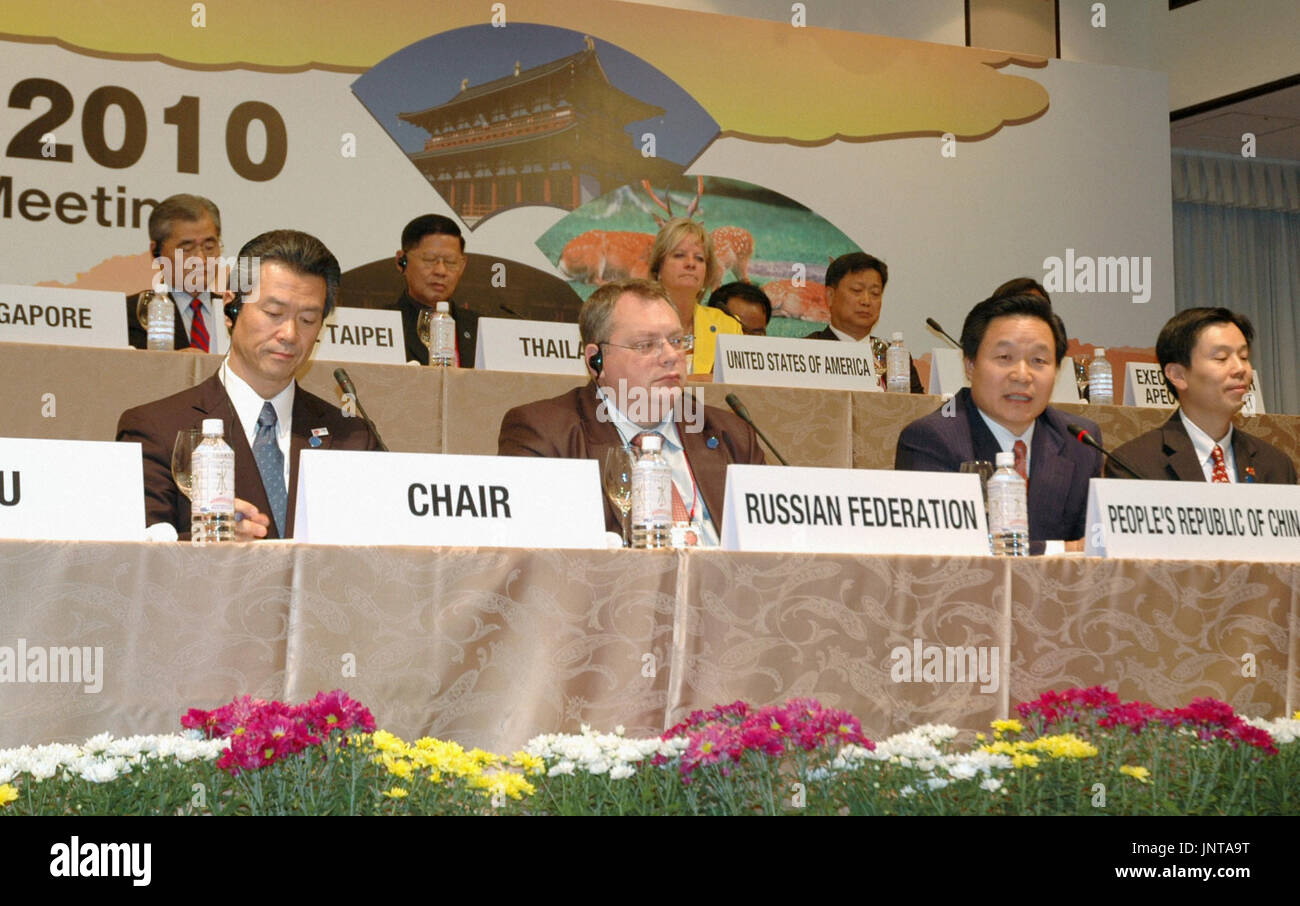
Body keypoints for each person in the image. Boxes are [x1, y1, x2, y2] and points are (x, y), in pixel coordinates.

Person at [117, 230, 383, 540]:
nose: (290, 334)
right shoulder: (156, 430)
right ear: (231, 307)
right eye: (273, 313)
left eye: (308, 319)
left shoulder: (352, 438)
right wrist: (212, 540)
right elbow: (134, 560)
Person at [497, 278, 765, 543]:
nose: (671, 355)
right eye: (646, 345)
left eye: (677, 340)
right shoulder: (545, 436)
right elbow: (543, 561)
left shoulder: (732, 435)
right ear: (596, 361)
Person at [894, 292, 1102, 550]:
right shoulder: (930, 439)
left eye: (1039, 360)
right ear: (970, 365)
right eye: (1005, 358)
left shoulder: (1079, 441)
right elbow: (943, 550)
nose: (1022, 376)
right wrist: (1063, 550)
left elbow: (1095, 547)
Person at [1105, 308, 1297, 483]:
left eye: (1244, 357)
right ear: (1178, 375)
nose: (1240, 369)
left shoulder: (1277, 466)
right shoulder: (1134, 464)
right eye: (1221, 358)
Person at [805, 252, 923, 393]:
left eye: (875, 293)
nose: (866, 301)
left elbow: (919, 409)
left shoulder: (893, 356)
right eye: (857, 290)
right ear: (830, 296)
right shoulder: (807, 350)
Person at [126, 194, 228, 352]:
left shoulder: (237, 314)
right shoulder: (132, 315)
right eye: (186, 249)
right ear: (156, 252)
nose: (200, 259)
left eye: (209, 247)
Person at [648, 217, 741, 374]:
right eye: (679, 255)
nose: (691, 264)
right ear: (658, 269)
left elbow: (736, 388)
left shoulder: (728, 326)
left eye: (699, 258)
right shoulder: (635, 321)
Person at [388, 214, 479, 367]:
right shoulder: (382, 326)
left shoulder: (479, 328)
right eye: (429, 260)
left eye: (450, 262)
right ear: (401, 261)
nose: (441, 271)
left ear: (463, 265)